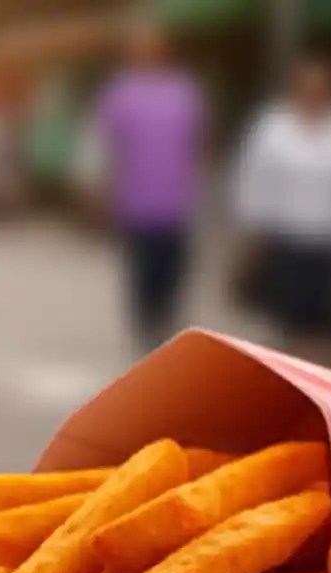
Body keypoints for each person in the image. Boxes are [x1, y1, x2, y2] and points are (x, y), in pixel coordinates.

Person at [94, 23, 205, 353]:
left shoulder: (185, 93)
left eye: (154, 49)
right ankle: (146, 332)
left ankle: (165, 323)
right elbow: (103, 146)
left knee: (173, 271)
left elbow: (199, 142)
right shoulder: (120, 93)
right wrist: (100, 190)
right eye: (141, 49)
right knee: (142, 272)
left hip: (176, 202)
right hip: (135, 201)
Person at [235, 57, 331, 362]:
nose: (315, 92)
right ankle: (300, 372)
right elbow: (254, 177)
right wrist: (252, 232)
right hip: (286, 240)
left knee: (325, 322)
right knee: (293, 321)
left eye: (322, 86)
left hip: (329, 242)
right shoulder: (274, 128)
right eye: (308, 85)